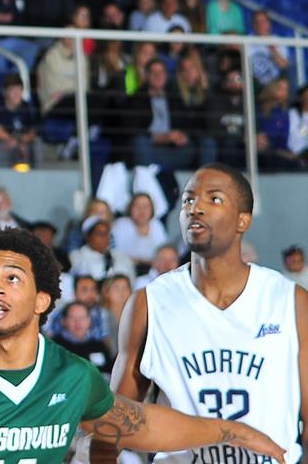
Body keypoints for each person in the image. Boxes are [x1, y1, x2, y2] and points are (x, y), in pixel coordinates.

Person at [96, 163, 306, 464]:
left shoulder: (290, 301)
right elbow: (114, 424)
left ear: (242, 220)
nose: (196, 209)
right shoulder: (148, 303)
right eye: (188, 200)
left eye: (214, 199)